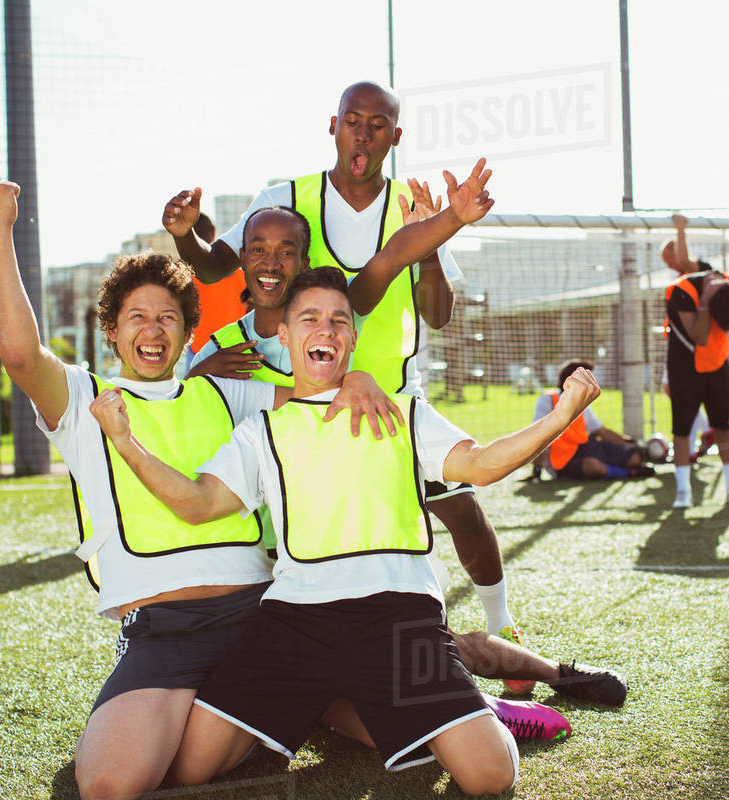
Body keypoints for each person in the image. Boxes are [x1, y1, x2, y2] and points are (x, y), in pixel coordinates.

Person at [89, 266, 605, 795]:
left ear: (353, 338)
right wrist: (127, 442)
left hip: (398, 621)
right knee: (193, 767)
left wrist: (561, 414)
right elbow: (198, 504)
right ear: (285, 336)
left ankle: (481, 713)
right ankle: (332, 708)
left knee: (488, 776)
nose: (326, 330)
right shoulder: (262, 429)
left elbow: (480, 465)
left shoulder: (403, 412)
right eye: (309, 318)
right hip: (293, 625)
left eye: (339, 320)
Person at [163, 81, 536, 693]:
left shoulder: (409, 210)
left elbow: (421, 294)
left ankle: (500, 629)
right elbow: (215, 264)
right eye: (352, 121)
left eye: (378, 123)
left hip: (390, 395)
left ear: (395, 135)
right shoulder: (284, 201)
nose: (363, 134)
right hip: (310, 398)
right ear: (332, 126)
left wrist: (439, 236)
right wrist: (185, 236)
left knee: (458, 509)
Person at [663, 213, 729, 507]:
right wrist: (705, 303)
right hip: (684, 369)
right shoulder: (682, 290)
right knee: (681, 430)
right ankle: (683, 492)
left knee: (723, 427)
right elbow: (700, 336)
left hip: (716, 367)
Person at [530, 359, 656, 480]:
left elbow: (601, 431)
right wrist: (537, 470)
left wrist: (631, 442)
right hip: (563, 460)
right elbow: (539, 437)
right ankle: (629, 473)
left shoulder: (581, 401)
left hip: (586, 448)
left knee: (634, 457)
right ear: (572, 381)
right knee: (593, 467)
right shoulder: (547, 401)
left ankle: (620, 466)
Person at [186, 212, 247, 359]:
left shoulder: (187, 277)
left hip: (198, 349)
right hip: (235, 349)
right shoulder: (243, 276)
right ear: (214, 231)